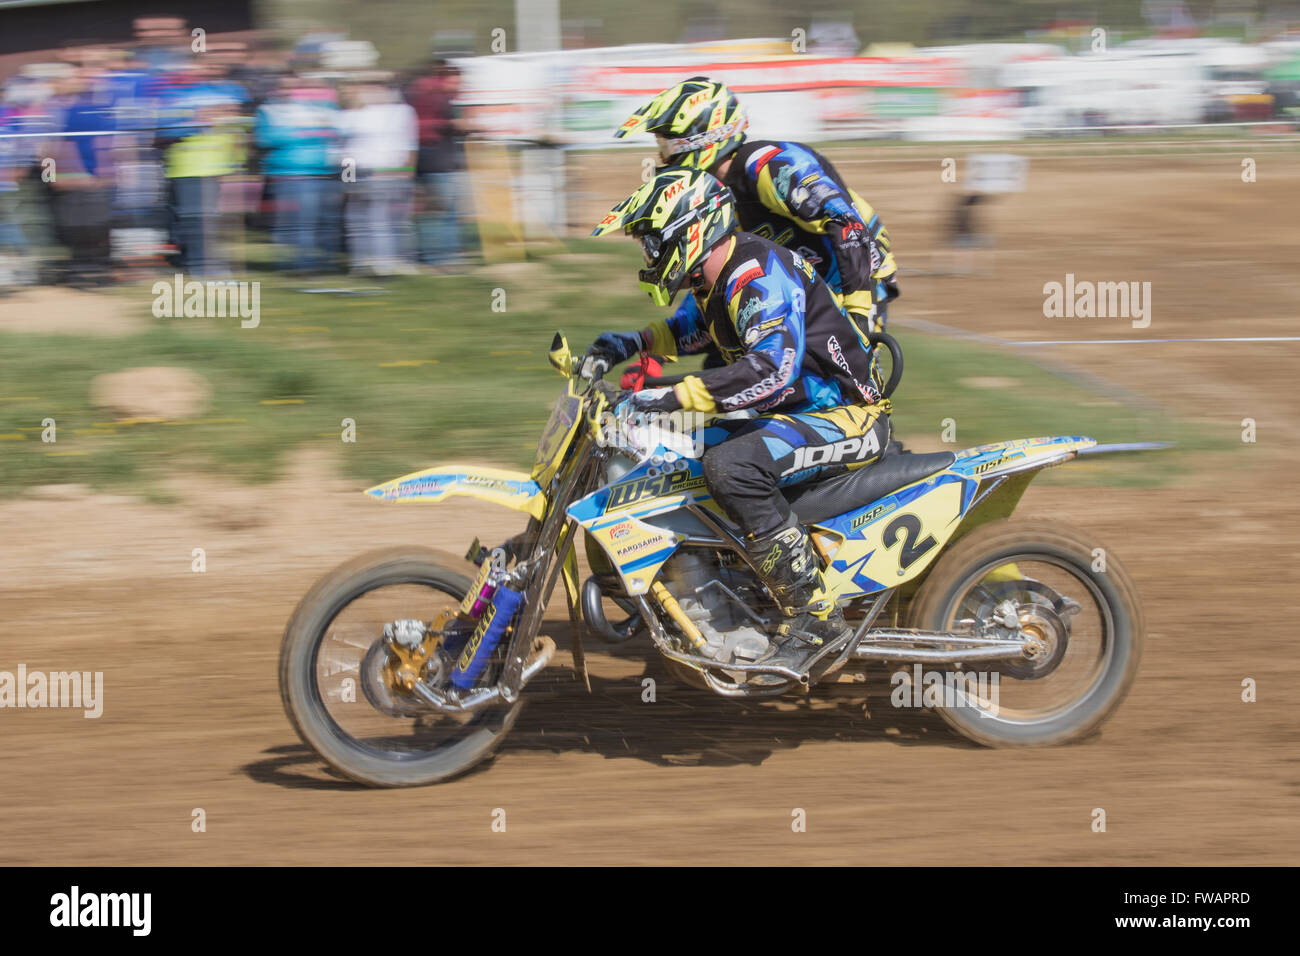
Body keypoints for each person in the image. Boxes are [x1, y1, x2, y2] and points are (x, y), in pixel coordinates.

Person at [587, 167, 892, 677]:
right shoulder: (717, 278)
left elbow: (772, 370)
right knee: (664, 451)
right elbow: (686, 331)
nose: (649, 258)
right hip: (800, 415)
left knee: (733, 466)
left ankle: (816, 617)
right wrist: (624, 344)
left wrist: (670, 397)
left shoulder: (757, 272)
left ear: (691, 231)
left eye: (653, 244)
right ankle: (713, 593)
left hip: (849, 417)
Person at [614, 76, 899, 341]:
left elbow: (845, 222)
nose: (662, 160)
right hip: (805, 293)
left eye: (665, 148)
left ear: (699, 141)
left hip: (856, 281)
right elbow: (714, 273)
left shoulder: (767, 166)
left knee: (832, 386)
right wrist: (660, 348)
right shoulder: (713, 195)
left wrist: (859, 313)